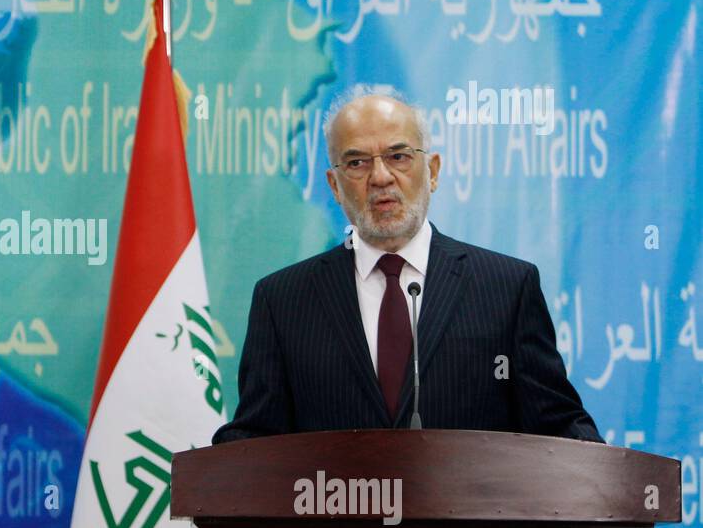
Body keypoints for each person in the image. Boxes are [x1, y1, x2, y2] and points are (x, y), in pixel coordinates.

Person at [213, 86, 601, 443]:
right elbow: (256, 443)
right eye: (358, 163)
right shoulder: (282, 302)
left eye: (398, 156)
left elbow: (557, 427)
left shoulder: (506, 287)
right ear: (334, 186)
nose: (381, 177)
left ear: (431, 171)